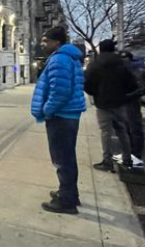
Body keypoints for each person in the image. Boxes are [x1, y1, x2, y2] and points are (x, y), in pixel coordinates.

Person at [31, 26, 87, 214]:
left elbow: (60, 92)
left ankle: (66, 201)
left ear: (57, 42)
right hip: (68, 114)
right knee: (67, 157)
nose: (42, 44)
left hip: (61, 115)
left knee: (62, 159)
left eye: (46, 40)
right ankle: (69, 193)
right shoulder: (69, 57)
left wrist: (47, 110)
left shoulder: (59, 59)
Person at [84, 39, 139, 172]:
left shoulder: (95, 64)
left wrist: (96, 94)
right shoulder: (122, 63)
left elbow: (87, 84)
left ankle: (107, 160)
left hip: (102, 103)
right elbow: (132, 84)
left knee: (105, 132)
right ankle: (127, 159)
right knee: (121, 130)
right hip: (119, 103)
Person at [118, 51, 145, 165]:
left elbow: (141, 89)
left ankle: (136, 155)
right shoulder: (134, 68)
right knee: (128, 128)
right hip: (128, 102)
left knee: (134, 128)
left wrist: (126, 95)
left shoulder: (135, 70)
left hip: (131, 102)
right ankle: (130, 154)